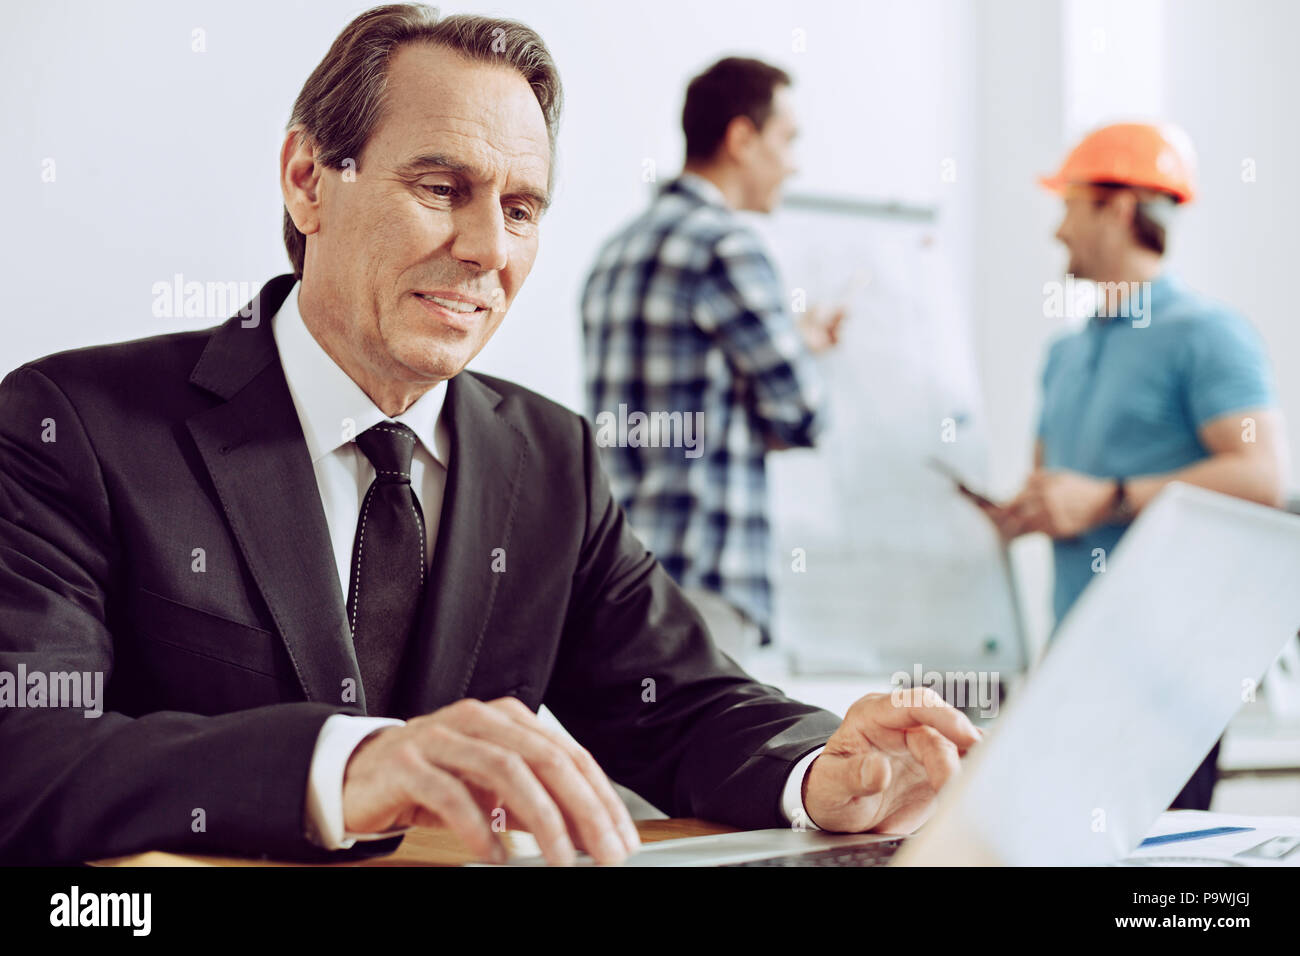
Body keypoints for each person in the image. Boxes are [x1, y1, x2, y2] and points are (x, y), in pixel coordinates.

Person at [0, 6, 977, 866]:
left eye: (520, 209)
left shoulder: (548, 457)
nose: (488, 251)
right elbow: (28, 753)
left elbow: (675, 702)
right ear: (308, 179)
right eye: (440, 188)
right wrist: (349, 762)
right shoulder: (73, 425)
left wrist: (820, 767)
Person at [984, 122, 1288, 809]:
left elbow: (1261, 476)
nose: (1057, 228)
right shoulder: (1064, 354)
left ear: (1118, 208)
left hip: (1167, 671)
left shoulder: (1207, 335)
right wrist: (1031, 509)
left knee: (1157, 878)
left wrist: (1111, 495)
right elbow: (1063, 486)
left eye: (1069, 203)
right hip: (1071, 663)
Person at [580, 57, 845, 664]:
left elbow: (678, 386)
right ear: (741, 139)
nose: (795, 163)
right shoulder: (727, 245)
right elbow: (803, 414)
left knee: (621, 761)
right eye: (787, 139)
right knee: (709, 757)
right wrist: (797, 353)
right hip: (704, 578)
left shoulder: (614, 254)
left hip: (615, 579)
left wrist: (785, 344)